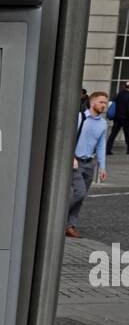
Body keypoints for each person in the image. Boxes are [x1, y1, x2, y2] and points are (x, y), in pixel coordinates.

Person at [66, 90, 108, 237]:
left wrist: (102, 167)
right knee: (79, 192)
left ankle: (70, 226)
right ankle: (59, 218)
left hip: (89, 163)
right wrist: (71, 157)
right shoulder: (80, 118)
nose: (104, 105)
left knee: (81, 196)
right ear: (92, 102)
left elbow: (101, 146)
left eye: (105, 103)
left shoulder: (103, 124)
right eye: (101, 102)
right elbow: (68, 138)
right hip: (75, 162)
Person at [107, 80, 129, 154]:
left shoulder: (119, 94)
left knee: (113, 135)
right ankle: (128, 150)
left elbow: (114, 103)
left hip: (117, 118)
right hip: (126, 118)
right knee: (128, 135)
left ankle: (108, 149)